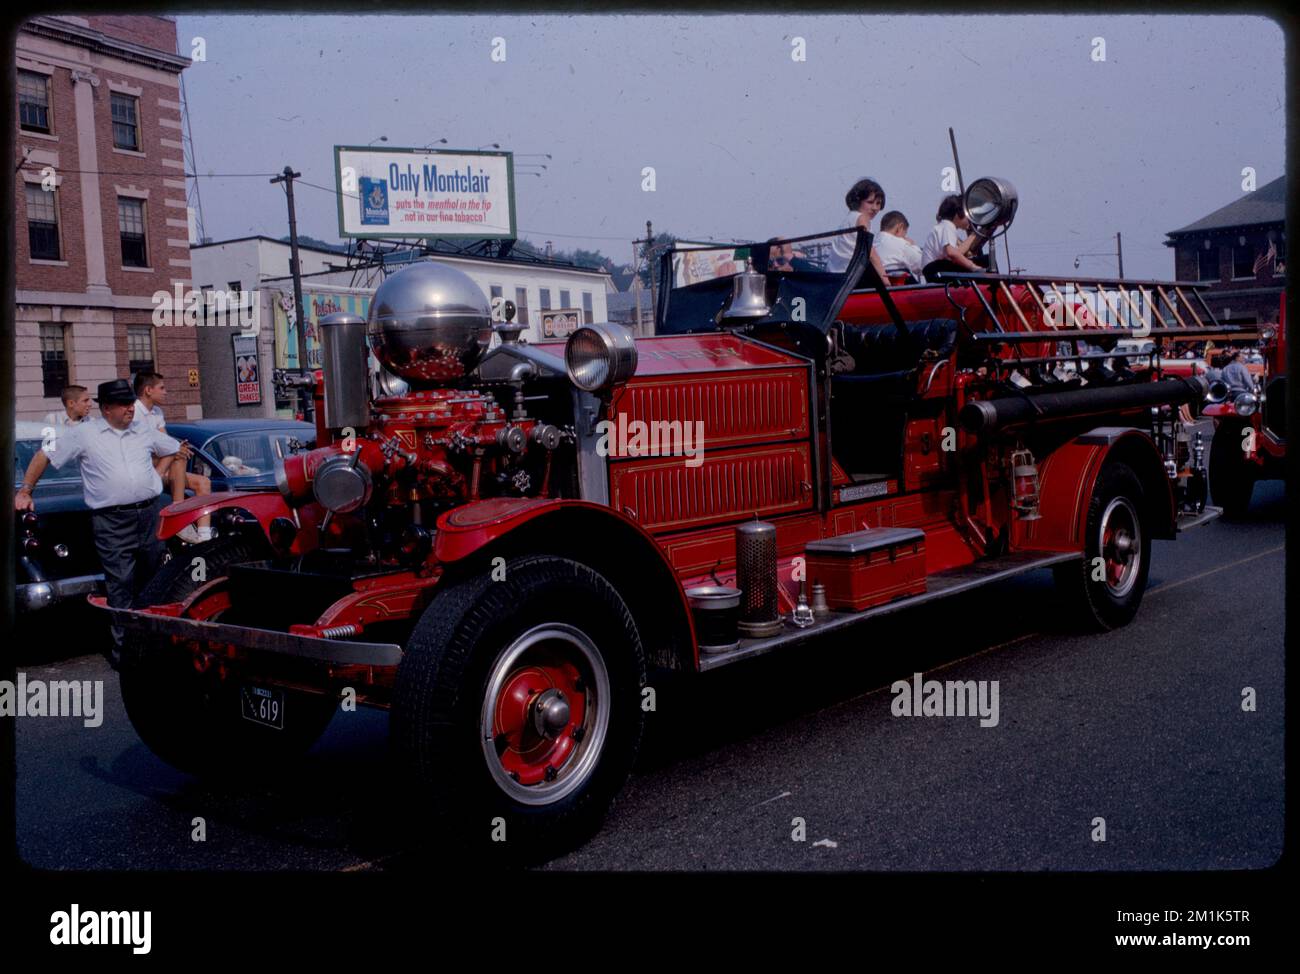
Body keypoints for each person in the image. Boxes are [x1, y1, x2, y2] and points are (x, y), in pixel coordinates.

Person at [15, 379, 182, 668]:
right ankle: (125, 656)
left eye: (131, 402)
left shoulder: (142, 429)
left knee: (153, 582)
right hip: (111, 520)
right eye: (123, 404)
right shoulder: (83, 434)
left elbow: (172, 448)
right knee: (120, 586)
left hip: (149, 514)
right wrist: (25, 490)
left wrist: (157, 474)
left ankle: (153, 648)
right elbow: (44, 455)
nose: (130, 408)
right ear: (106, 408)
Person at [134, 371, 213, 544]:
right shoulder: (135, 412)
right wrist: (174, 450)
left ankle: (205, 537)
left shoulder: (157, 412)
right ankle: (179, 516)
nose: (165, 392)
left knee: (203, 483)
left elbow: (166, 441)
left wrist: (179, 447)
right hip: (144, 468)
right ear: (148, 390)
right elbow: (142, 450)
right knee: (177, 456)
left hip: (162, 467)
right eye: (161, 388)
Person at [827, 177, 892, 285]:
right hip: (851, 277)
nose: (875, 208)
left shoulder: (849, 218)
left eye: (878, 203)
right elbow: (870, 253)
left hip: (836, 275)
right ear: (858, 201)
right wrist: (887, 282)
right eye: (870, 202)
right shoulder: (862, 218)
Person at [921, 195, 983, 281]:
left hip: (933, 269)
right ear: (958, 214)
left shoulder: (944, 226)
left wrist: (976, 234)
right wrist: (973, 267)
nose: (971, 219)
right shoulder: (947, 226)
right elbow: (952, 253)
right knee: (984, 262)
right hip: (935, 268)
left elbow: (958, 252)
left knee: (980, 261)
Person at [873, 211, 925, 284]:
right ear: (900, 227)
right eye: (905, 233)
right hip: (896, 287)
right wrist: (913, 245)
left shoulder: (873, 243)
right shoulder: (899, 242)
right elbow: (923, 265)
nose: (905, 237)